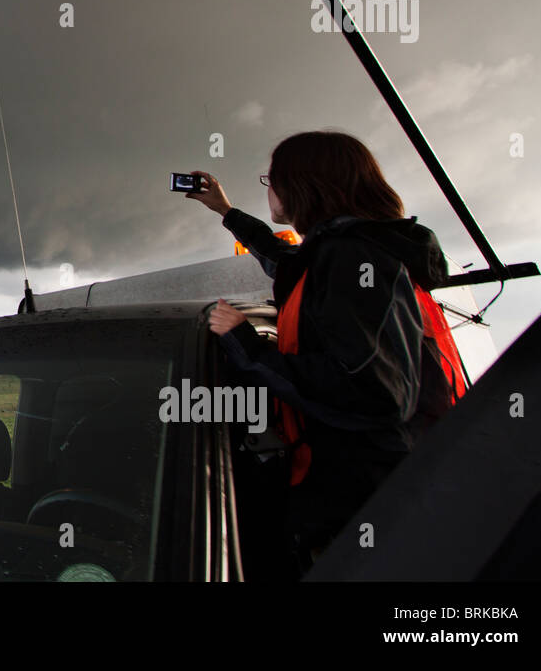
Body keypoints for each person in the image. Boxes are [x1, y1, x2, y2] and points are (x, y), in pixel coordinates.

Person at [185, 130, 465, 577]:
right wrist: (225, 210)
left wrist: (248, 345)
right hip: (391, 487)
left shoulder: (355, 259)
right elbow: (284, 260)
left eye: (271, 179)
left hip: (370, 503)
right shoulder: (351, 251)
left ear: (304, 183)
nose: (270, 189)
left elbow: (373, 390)